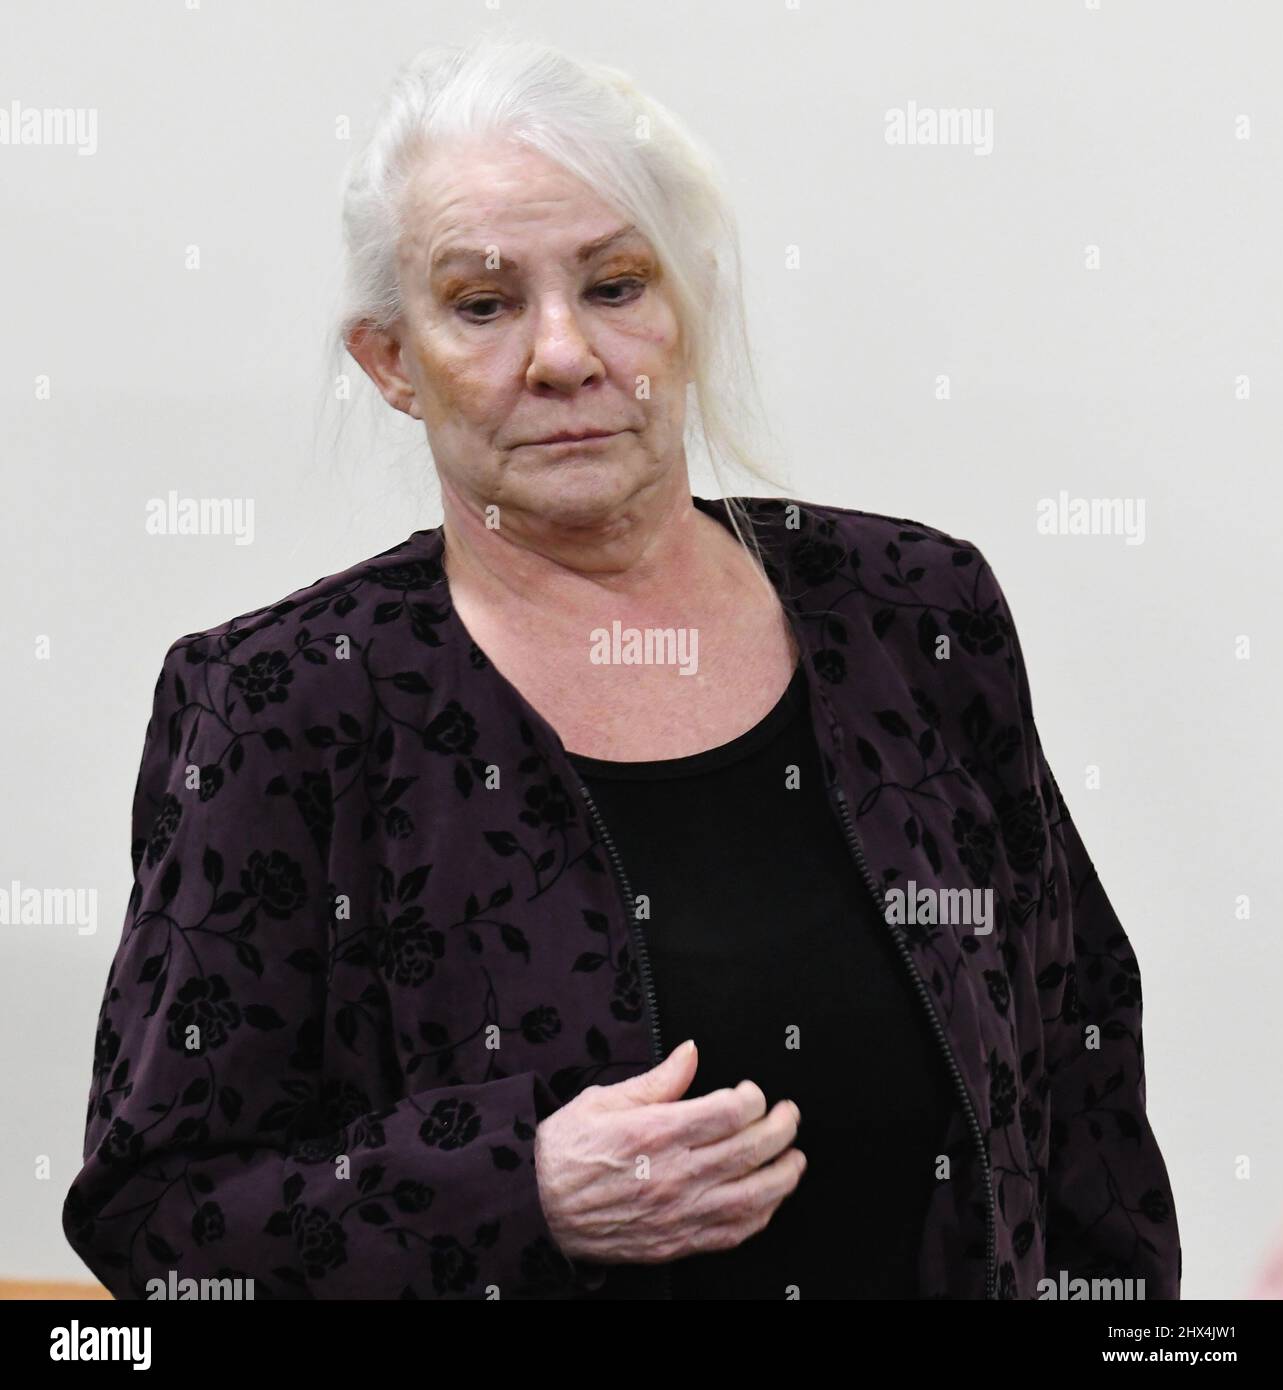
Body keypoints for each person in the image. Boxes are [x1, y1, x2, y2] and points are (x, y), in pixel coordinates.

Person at [63, 32, 1180, 1300]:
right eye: (483, 304)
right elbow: (160, 1217)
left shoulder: (919, 617)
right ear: (390, 362)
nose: (563, 355)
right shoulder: (283, 702)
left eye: (615, 284)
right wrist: (515, 1188)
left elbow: (1083, 1069)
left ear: (685, 310)